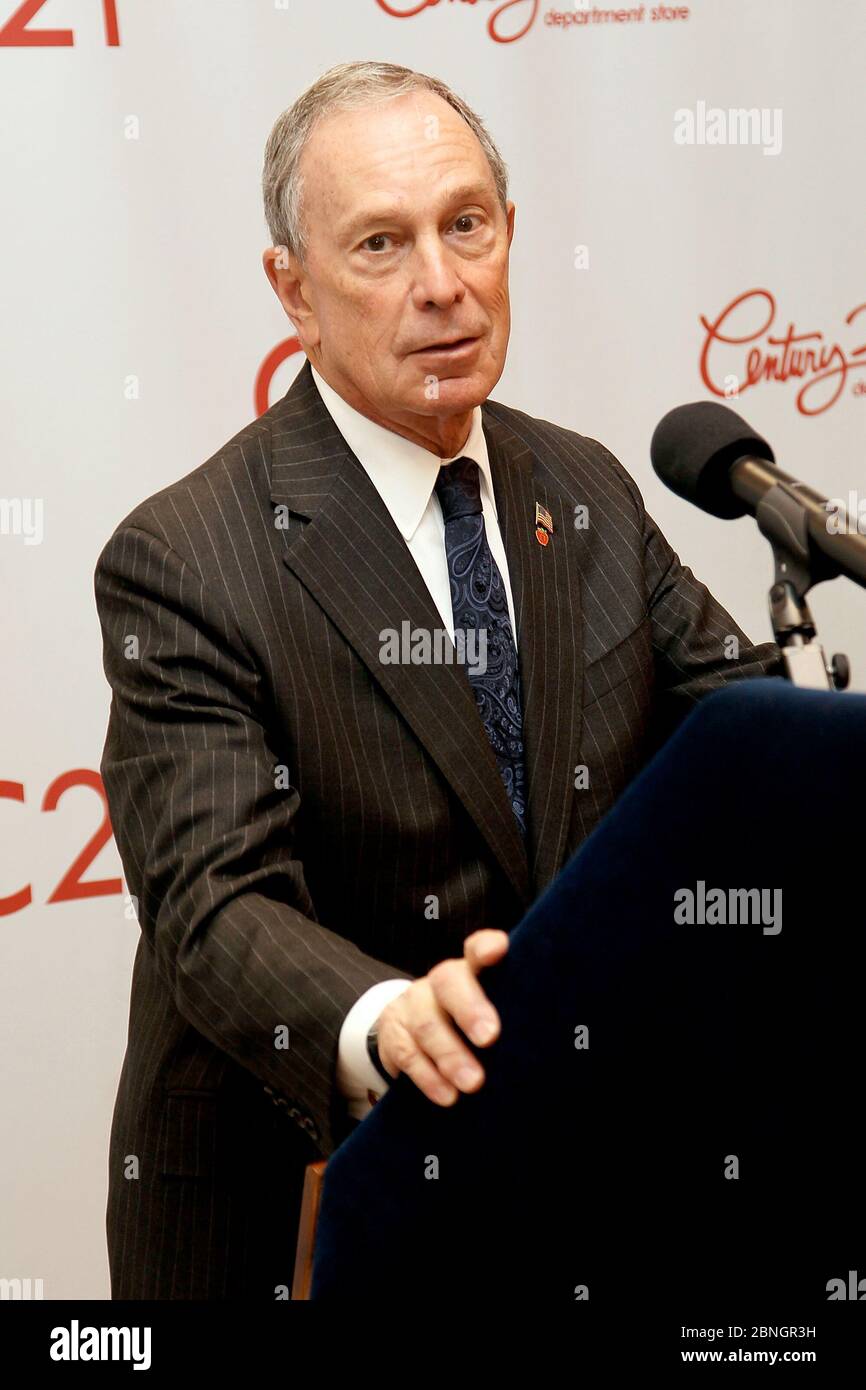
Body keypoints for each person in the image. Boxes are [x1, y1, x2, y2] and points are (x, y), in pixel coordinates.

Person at [94, 60, 780, 1300]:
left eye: (465, 225)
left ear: (510, 235)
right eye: (378, 245)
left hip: (563, 1184)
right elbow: (212, 908)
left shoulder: (584, 487)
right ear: (291, 293)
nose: (440, 284)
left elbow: (737, 741)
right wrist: (384, 1019)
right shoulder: (186, 556)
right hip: (301, 1197)